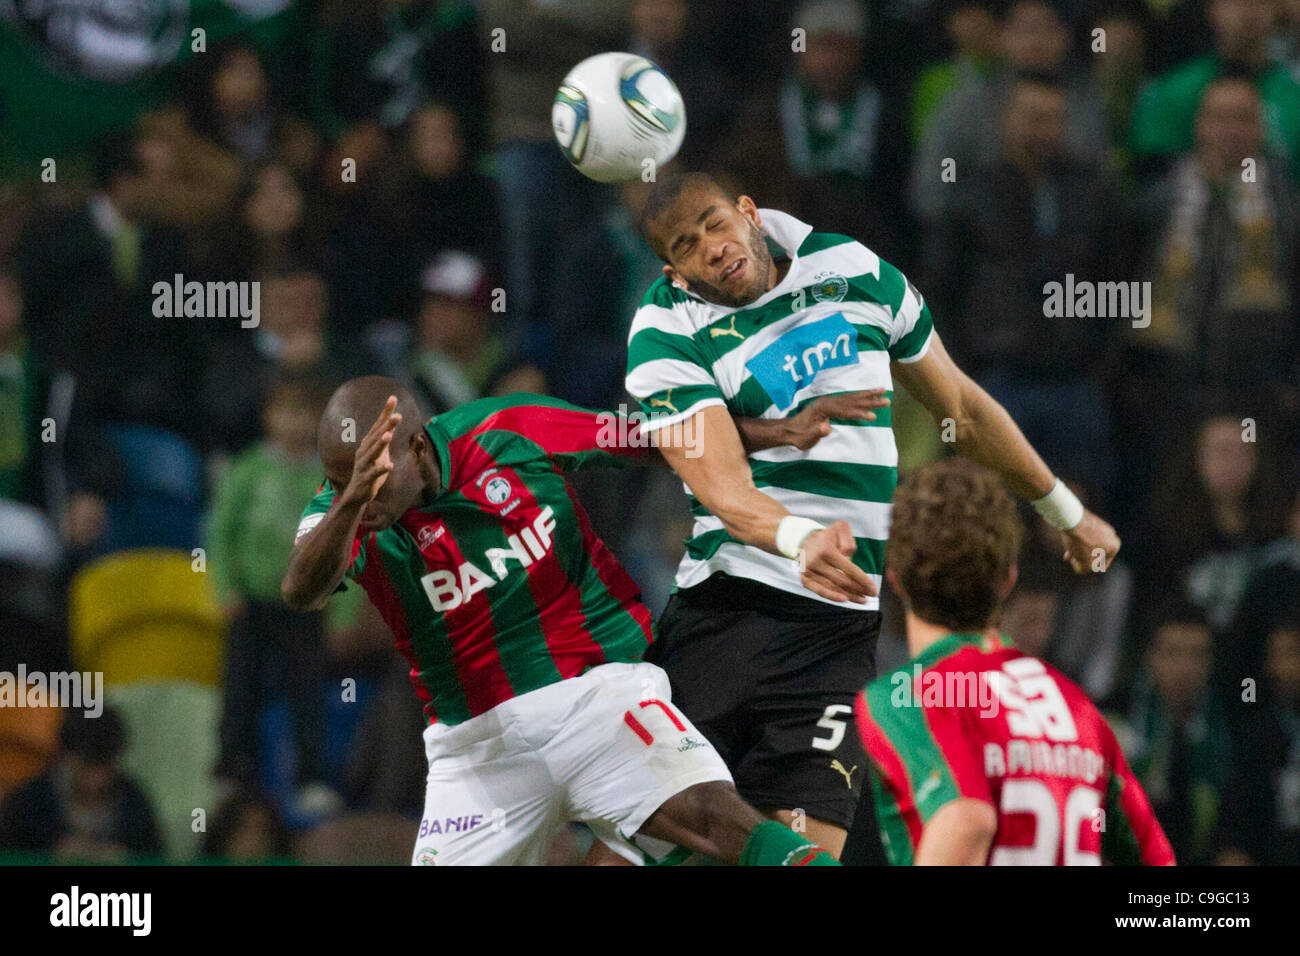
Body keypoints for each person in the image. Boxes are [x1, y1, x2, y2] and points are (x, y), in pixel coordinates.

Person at [623, 170, 1120, 859]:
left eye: (714, 223)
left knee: (803, 856)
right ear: (671, 268)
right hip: (726, 614)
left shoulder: (852, 270)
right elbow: (726, 492)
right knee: (649, 851)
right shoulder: (664, 329)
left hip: (836, 634)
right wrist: (801, 538)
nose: (710, 247)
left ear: (747, 211)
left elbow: (963, 409)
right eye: (686, 244)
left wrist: (1065, 510)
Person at [281, 375, 849, 866]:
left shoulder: (509, 427)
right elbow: (301, 592)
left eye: (371, 479)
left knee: (713, 818)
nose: (355, 495)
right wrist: (350, 498)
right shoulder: (343, 511)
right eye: (336, 480)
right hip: (477, 751)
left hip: (598, 697)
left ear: (417, 446)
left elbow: (651, 438)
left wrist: (777, 432)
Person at [854, 458, 1173, 865]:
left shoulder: (902, 698)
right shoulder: (1078, 709)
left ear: (895, 580)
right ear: (1008, 580)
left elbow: (967, 819)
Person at [0, 706, 163, 862]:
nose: (95, 780)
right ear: (67, 758)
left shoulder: (134, 804)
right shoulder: (30, 802)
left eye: (104, 767)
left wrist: (126, 859)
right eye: (86, 766)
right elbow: (9, 852)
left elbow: (155, 856)